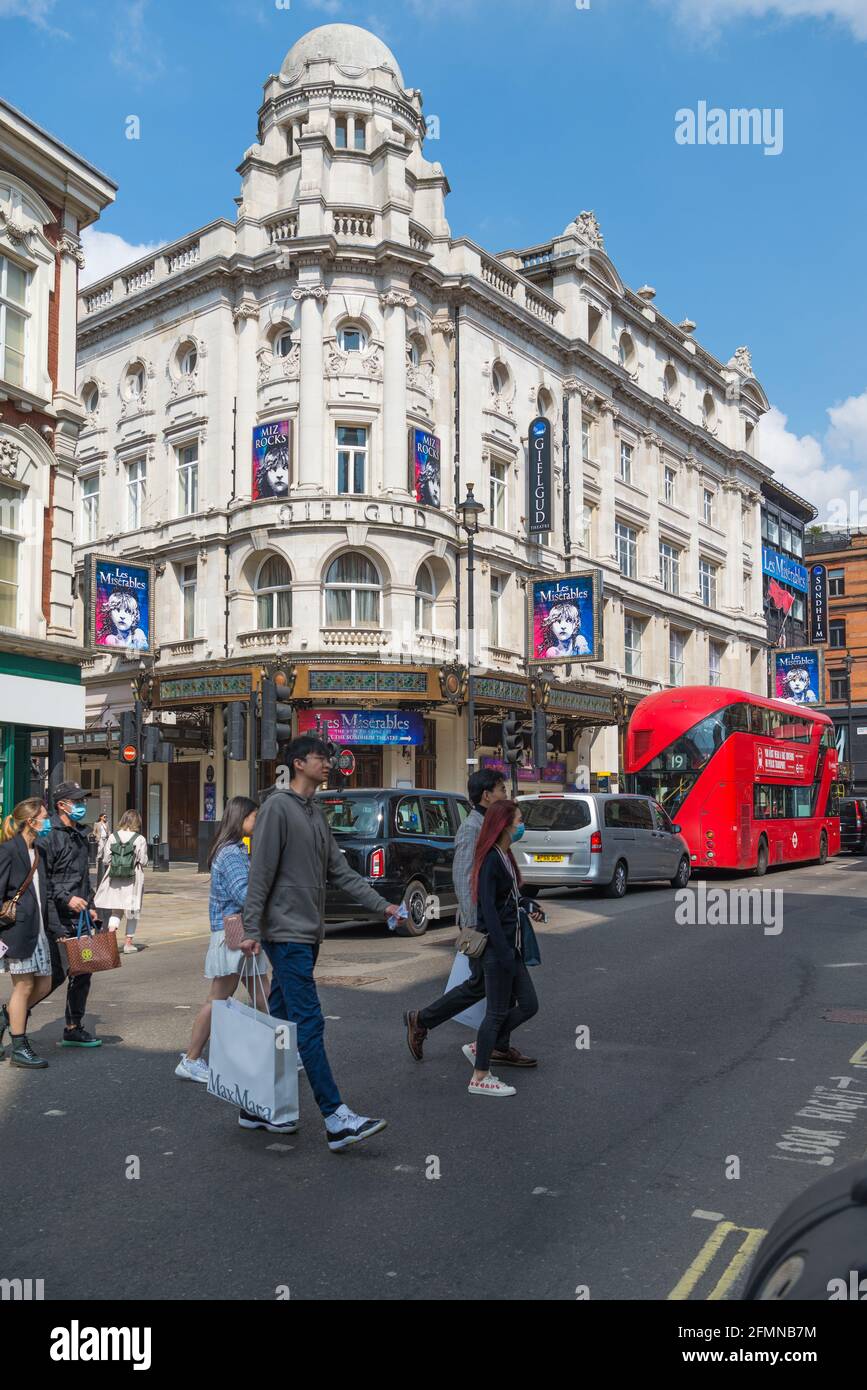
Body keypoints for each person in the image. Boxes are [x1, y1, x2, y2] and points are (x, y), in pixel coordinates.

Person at [239, 735, 401, 1151]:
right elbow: (261, 871)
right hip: (286, 932)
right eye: (320, 758)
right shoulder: (277, 808)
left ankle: (256, 1106)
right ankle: (335, 1118)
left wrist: (382, 906)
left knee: (281, 1021)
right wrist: (252, 929)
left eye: (327, 758)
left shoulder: (315, 812)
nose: (327, 764)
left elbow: (341, 872)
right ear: (297, 763)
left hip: (308, 933)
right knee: (309, 1023)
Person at [403, 768, 539, 1068]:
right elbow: (465, 880)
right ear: (486, 795)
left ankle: (486, 1041)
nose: (506, 794)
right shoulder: (472, 828)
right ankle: (479, 1046)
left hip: (497, 925)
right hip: (484, 927)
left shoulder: (491, 824)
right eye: (501, 790)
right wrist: (478, 926)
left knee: (483, 987)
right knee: (486, 986)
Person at [175, 796, 271, 1095]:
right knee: (219, 999)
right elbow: (244, 894)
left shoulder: (236, 849)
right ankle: (191, 1059)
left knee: (264, 995)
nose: (258, 822)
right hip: (234, 933)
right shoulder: (231, 853)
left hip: (241, 931)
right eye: (255, 816)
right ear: (241, 818)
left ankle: (278, 1051)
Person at [466, 800, 539, 1097]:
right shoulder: (491, 860)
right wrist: (503, 952)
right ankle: (480, 1075)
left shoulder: (505, 855)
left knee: (529, 1004)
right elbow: (488, 911)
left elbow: (508, 899)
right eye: (519, 819)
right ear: (506, 824)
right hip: (499, 950)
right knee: (496, 1012)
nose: (522, 825)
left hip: (512, 946)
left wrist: (528, 904)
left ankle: (484, 1044)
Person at [38, 780, 103, 1048]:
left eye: (82, 801)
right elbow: (44, 881)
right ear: (62, 805)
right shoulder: (48, 835)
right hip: (58, 918)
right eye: (76, 802)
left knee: (84, 970)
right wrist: (67, 898)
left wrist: (91, 902)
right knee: (57, 974)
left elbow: (82, 877)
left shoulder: (79, 833)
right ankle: (10, 1015)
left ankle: (73, 1026)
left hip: (81, 917)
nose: (81, 806)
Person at [0, 798, 54, 1068]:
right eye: (45, 816)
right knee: (24, 986)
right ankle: (19, 1046)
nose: (48, 821)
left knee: (44, 984)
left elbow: (45, 893)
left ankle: (5, 1018)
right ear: (31, 821)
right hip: (17, 930)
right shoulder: (9, 850)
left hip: (40, 930)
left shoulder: (39, 851)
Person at [94, 809, 149, 953]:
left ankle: (111, 942)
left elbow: (106, 859)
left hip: (116, 877)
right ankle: (128, 944)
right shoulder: (140, 839)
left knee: (116, 911)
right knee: (132, 912)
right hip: (133, 878)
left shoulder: (113, 836)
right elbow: (143, 861)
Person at [92, 813, 110, 886]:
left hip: (106, 838)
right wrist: (96, 837)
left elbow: (108, 831)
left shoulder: (107, 823)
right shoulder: (97, 824)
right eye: (104, 816)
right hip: (100, 839)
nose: (105, 817)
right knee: (100, 849)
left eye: (106, 816)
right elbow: (94, 831)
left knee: (106, 850)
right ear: (101, 817)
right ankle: (98, 860)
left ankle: (104, 860)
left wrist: (110, 835)